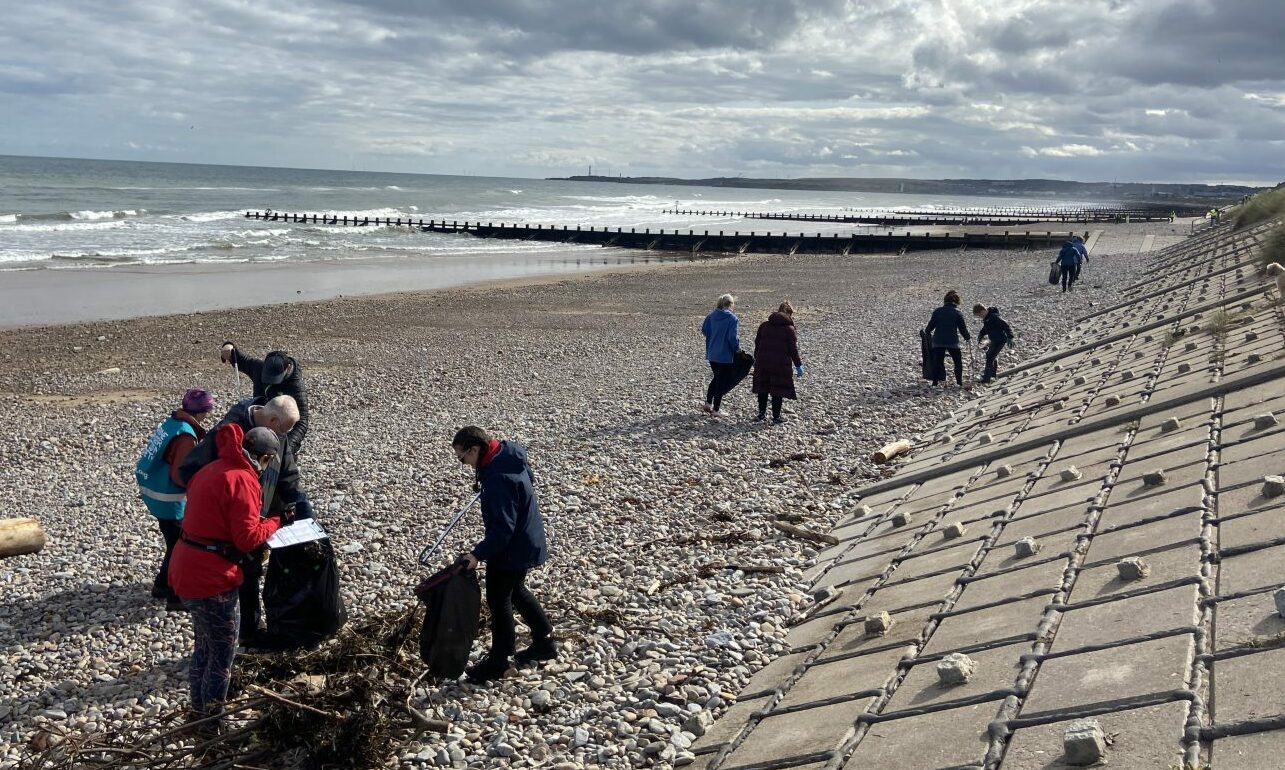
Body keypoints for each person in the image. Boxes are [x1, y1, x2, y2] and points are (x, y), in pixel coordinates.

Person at [169, 424, 290, 738]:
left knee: (204, 648)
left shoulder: (213, 468)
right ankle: (211, 725)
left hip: (185, 567)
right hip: (212, 579)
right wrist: (277, 521)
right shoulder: (243, 479)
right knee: (222, 656)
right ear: (264, 458)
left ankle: (196, 714)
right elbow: (248, 538)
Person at [179, 394, 303, 644]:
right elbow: (190, 470)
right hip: (229, 529)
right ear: (272, 420)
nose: (285, 437)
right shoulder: (227, 432)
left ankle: (246, 628)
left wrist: (300, 507)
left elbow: (288, 474)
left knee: (252, 570)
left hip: (255, 515)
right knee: (244, 572)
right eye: (284, 429)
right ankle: (245, 632)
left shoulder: (276, 435)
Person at [451, 426, 553, 684]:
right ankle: (545, 642)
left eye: (462, 458)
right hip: (529, 536)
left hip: (513, 548)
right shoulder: (509, 452)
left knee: (498, 599)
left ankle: (500, 660)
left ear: (475, 450)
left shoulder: (498, 479)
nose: (462, 463)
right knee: (516, 589)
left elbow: (503, 530)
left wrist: (476, 555)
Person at [135, 389, 217, 611]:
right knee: (179, 546)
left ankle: (162, 585)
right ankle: (175, 596)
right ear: (203, 411)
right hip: (169, 500)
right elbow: (180, 474)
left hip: (154, 492)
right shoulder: (186, 436)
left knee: (173, 543)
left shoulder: (172, 423)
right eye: (209, 410)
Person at [219, 344, 309, 454]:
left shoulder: (296, 386)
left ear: (288, 368)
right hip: (256, 422)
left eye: (275, 380)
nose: (270, 381)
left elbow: (302, 423)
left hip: (279, 432)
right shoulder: (259, 368)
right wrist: (229, 348)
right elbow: (240, 359)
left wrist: (285, 451)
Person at [751, 302, 805, 424]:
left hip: (763, 361)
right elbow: (793, 349)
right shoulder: (789, 329)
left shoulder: (764, 326)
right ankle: (776, 416)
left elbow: (757, 344)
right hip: (780, 364)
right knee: (777, 390)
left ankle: (761, 414)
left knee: (763, 388)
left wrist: (756, 359)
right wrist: (798, 365)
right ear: (789, 314)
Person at [701, 294, 741, 417]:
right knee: (721, 381)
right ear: (731, 304)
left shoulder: (711, 316)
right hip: (724, 354)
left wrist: (714, 337)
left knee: (717, 377)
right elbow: (732, 338)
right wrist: (737, 349)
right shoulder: (732, 319)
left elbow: (704, 330)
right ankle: (716, 409)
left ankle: (708, 403)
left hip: (712, 353)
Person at [925, 291, 971, 387]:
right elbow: (962, 328)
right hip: (952, 341)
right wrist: (967, 338)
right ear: (956, 302)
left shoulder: (937, 311)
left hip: (938, 341)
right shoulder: (957, 313)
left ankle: (935, 383)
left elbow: (929, 328)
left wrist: (927, 333)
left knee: (938, 362)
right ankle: (959, 382)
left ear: (945, 301)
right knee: (957, 362)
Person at [973, 305, 1014, 384]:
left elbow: (1006, 326)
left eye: (979, 315)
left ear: (982, 311)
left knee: (990, 357)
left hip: (1000, 340)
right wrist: (981, 335)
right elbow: (986, 328)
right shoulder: (987, 318)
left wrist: (1010, 337)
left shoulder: (993, 317)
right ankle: (992, 375)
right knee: (990, 355)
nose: (979, 317)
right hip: (994, 340)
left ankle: (986, 379)